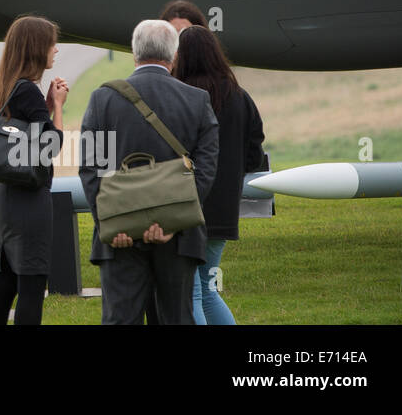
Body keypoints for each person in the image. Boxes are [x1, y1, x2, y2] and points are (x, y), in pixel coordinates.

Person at [79, 19, 219, 324]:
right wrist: (173, 222)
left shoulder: (102, 99)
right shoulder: (197, 100)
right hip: (178, 238)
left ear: (134, 53)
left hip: (119, 241)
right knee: (177, 319)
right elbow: (206, 170)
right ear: (174, 56)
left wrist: (113, 224)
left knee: (121, 320)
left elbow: (90, 169)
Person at [173, 25, 265, 324]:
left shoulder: (180, 95)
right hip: (225, 205)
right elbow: (254, 152)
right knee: (208, 289)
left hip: (186, 202)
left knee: (192, 293)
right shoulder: (239, 96)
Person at [0, 16, 69, 325]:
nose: (55, 49)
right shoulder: (27, 90)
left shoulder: (10, 86)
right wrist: (58, 106)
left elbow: (26, 138)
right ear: (36, 48)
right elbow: (50, 146)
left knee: (5, 284)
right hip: (29, 201)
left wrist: (44, 107)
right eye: (51, 43)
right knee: (31, 285)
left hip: (6, 197)